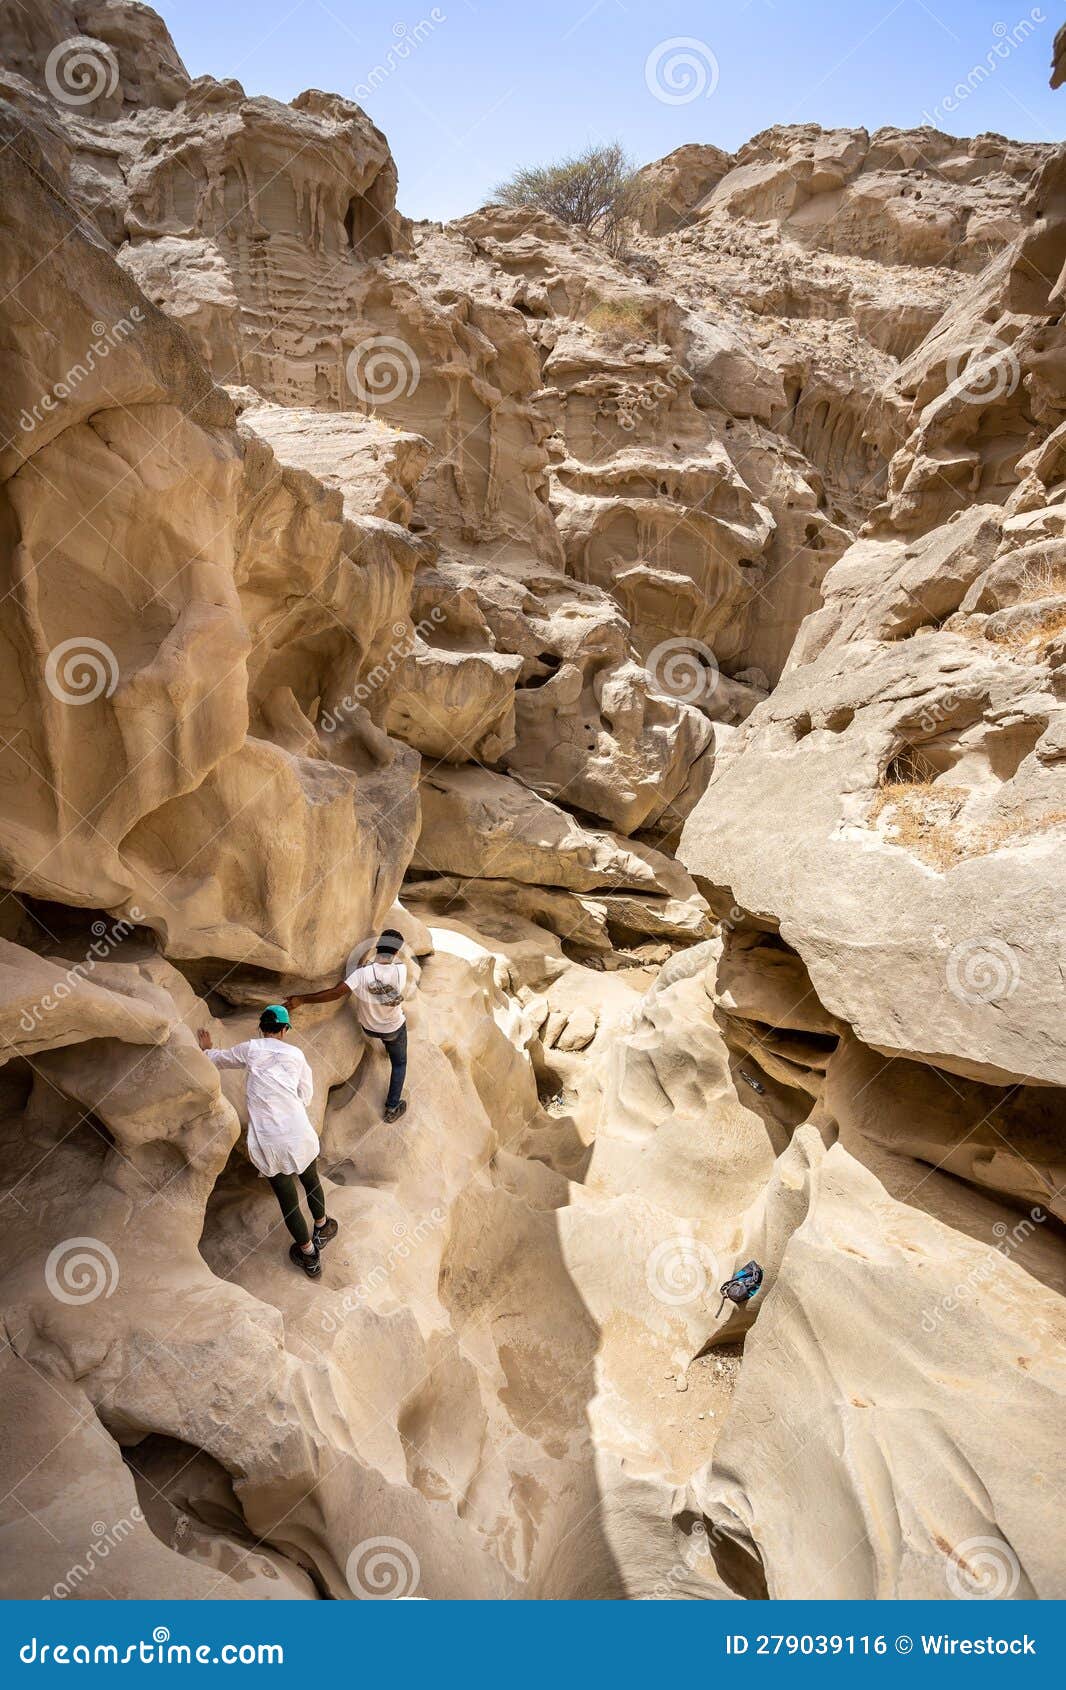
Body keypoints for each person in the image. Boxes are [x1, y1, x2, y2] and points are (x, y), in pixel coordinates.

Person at [197, 1005, 338, 1280]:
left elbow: (219, 1059)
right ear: (284, 1030)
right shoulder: (296, 1055)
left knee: (288, 1201)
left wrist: (206, 1050)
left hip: (268, 1141)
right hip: (298, 1132)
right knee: (311, 1182)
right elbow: (306, 1094)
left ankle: (309, 1256)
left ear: (261, 1027)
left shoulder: (250, 1049)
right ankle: (322, 1226)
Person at [285, 928, 409, 1122]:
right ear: (395, 953)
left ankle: (386, 1044)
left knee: (386, 1038)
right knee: (399, 1063)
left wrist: (301, 999)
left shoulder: (362, 973)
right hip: (392, 1028)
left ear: (377, 946)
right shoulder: (401, 969)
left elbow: (335, 993)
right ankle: (392, 1108)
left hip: (369, 1027)